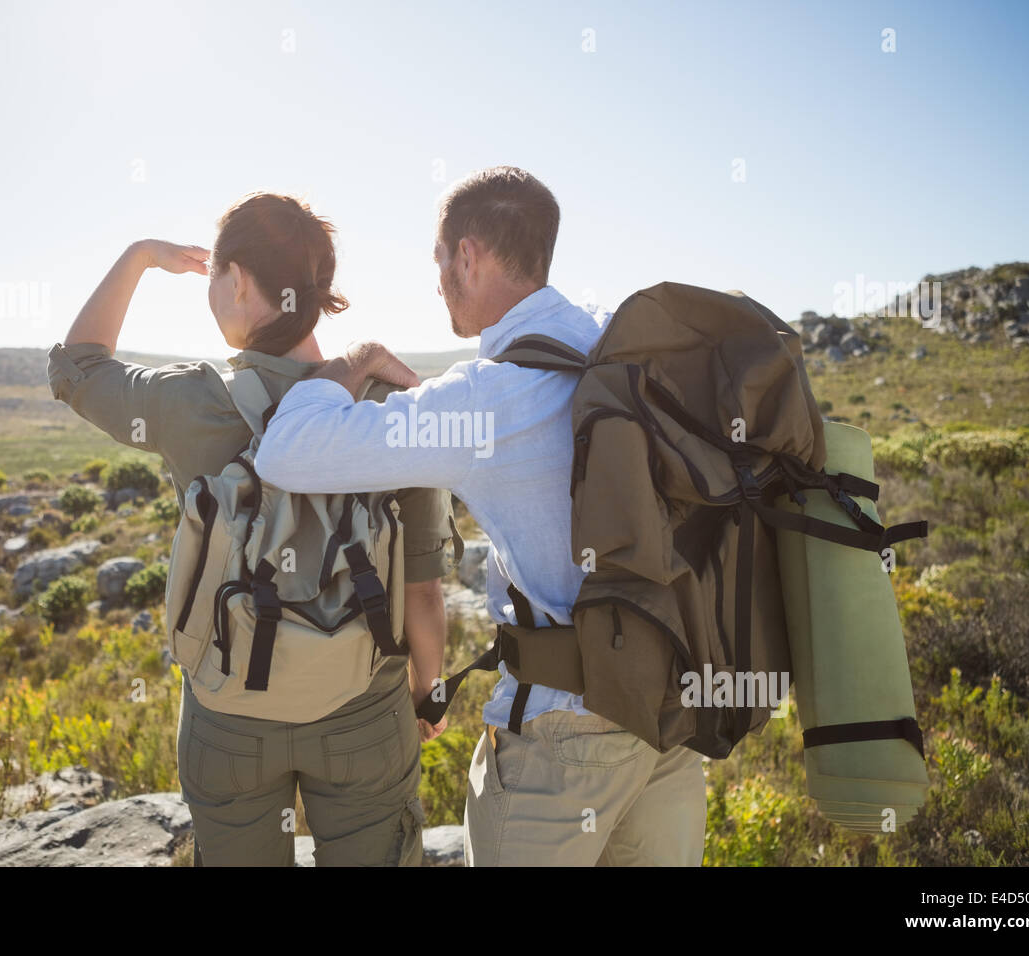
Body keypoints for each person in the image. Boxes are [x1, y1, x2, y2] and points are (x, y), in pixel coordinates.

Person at [253, 167, 708, 866]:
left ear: (468, 256)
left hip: (564, 736)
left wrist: (353, 364)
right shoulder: (626, 353)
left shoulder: (488, 398)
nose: (437, 282)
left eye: (440, 261)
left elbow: (289, 452)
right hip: (670, 719)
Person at [46, 192, 456, 866]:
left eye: (215, 278)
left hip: (230, 711)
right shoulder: (391, 407)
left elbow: (78, 367)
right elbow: (423, 591)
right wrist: (428, 693)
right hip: (362, 709)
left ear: (236, 279)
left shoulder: (191, 400)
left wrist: (141, 257)